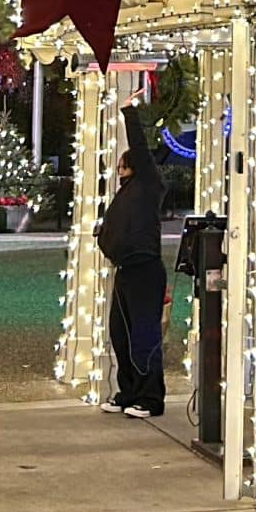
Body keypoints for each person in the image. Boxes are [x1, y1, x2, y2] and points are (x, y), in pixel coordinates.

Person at [94, 101, 167, 419]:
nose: (120, 171)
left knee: (143, 333)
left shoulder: (149, 185)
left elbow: (139, 146)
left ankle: (151, 397)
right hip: (124, 269)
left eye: (124, 166)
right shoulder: (125, 193)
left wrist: (130, 113)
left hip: (145, 269)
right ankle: (128, 391)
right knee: (120, 333)